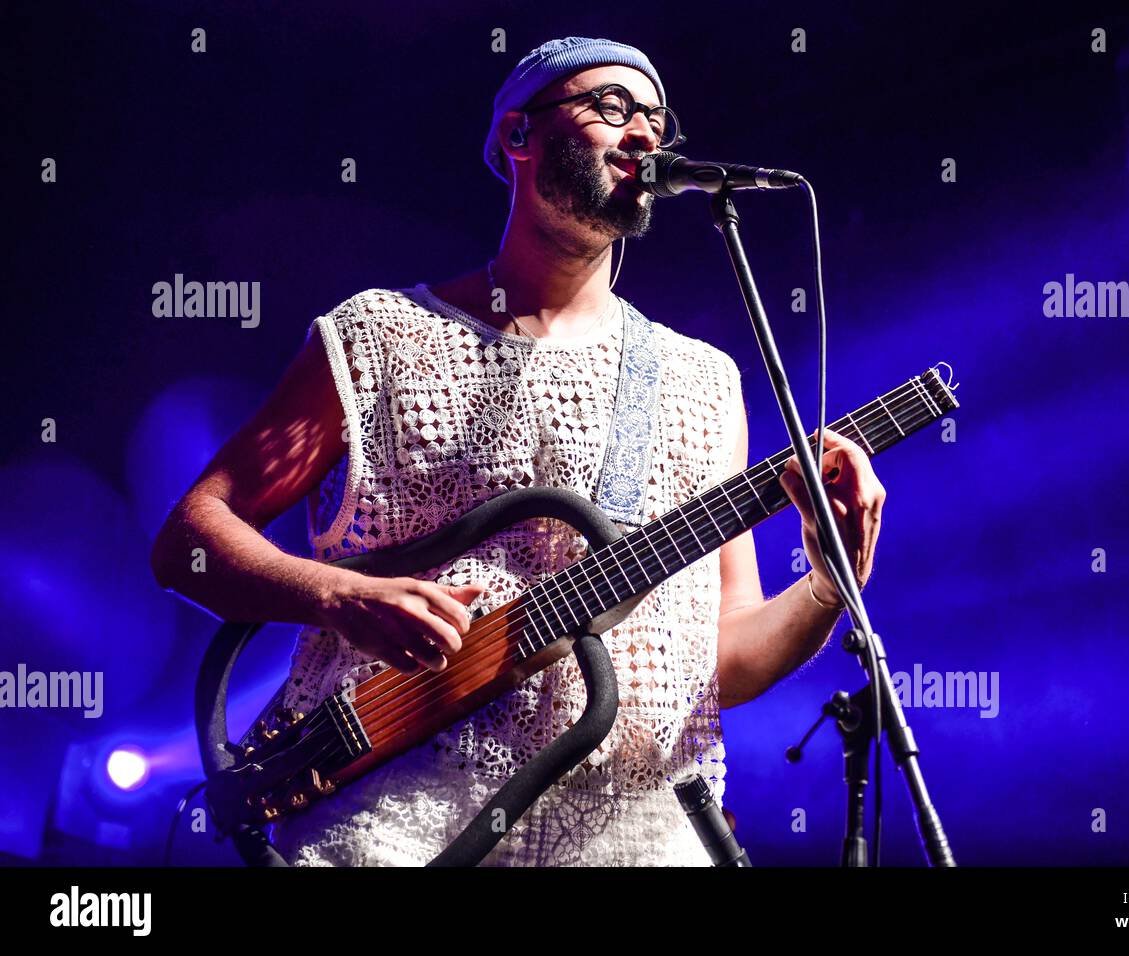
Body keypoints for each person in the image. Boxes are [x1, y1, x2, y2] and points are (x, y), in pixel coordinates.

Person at [150, 36, 886, 866]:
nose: (643, 131)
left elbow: (716, 659)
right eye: (610, 106)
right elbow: (190, 542)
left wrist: (829, 585)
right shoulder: (380, 337)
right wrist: (336, 596)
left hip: (636, 840)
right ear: (517, 136)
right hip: (397, 825)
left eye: (655, 116)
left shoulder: (702, 380)